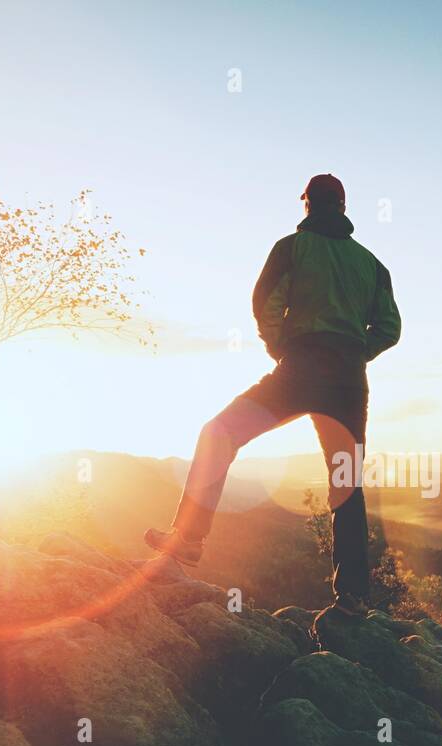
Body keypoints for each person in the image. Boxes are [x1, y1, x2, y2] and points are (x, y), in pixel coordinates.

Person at [145, 173, 402, 616]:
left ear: (307, 205)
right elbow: (390, 328)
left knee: (219, 433)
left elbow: (265, 302)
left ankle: (187, 539)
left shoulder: (291, 247)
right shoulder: (373, 265)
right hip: (348, 381)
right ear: (343, 206)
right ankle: (355, 598)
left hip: (300, 369)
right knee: (346, 483)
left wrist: (280, 347)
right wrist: (358, 351)